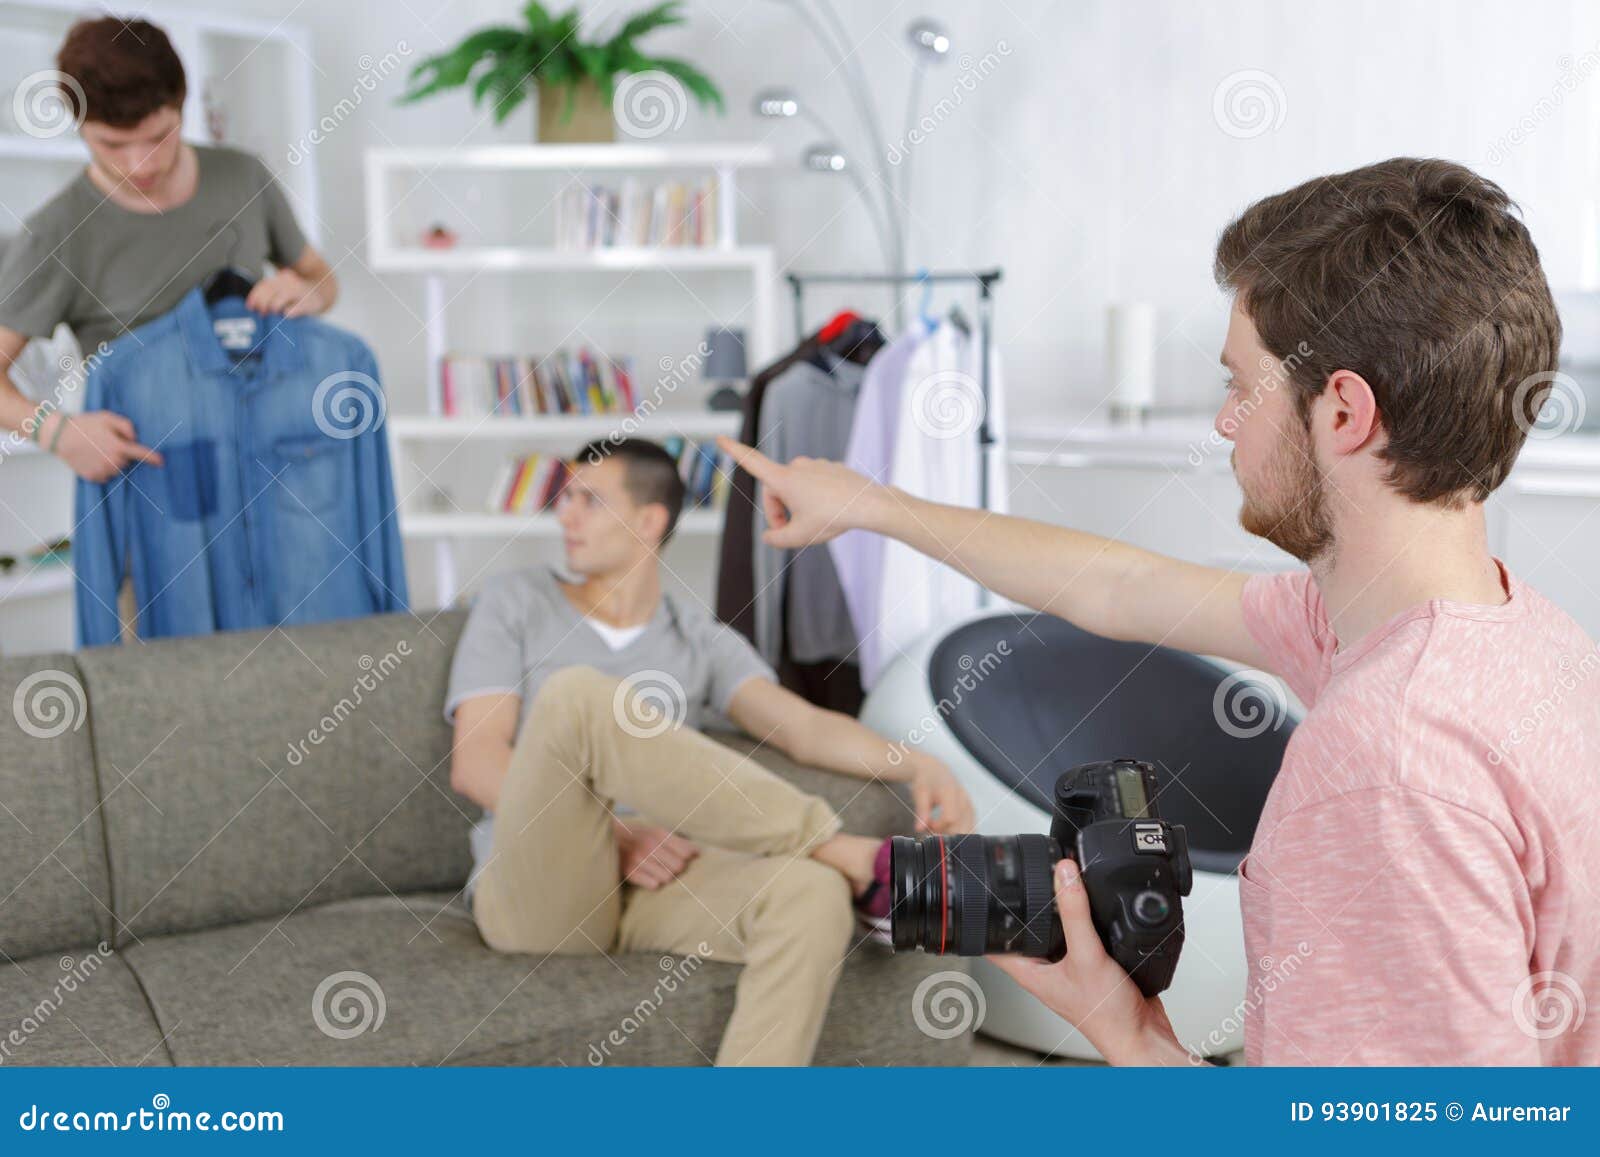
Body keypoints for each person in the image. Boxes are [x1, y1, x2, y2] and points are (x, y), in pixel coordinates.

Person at [720, 157, 1600, 1066]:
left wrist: (1131, 1038)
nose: (1226, 423)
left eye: (1239, 384)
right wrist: (871, 505)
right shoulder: (1512, 633)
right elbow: (1123, 588)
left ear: (1343, 412)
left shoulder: (1384, 760)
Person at [445, 438, 974, 1067]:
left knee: (811, 897)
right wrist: (611, 834)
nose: (565, 516)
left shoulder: (698, 638)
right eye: (565, 500)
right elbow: (475, 761)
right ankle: (843, 850)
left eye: (588, 500)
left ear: (649, 520)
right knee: (578, 699)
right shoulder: (516, 600)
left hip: (661, 882)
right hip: (540, 893)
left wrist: (921, 763)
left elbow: (801, 728)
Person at [0, 15, 338, 481]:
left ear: (181, 105)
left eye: (159, 137)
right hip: (154, 483)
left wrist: (311, 292)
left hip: (268, 464)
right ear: (79, 128)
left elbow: (320, 277)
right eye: (114, 144)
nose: (141, 164)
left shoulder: (244, 176)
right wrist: (56, 432)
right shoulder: (55, 233)